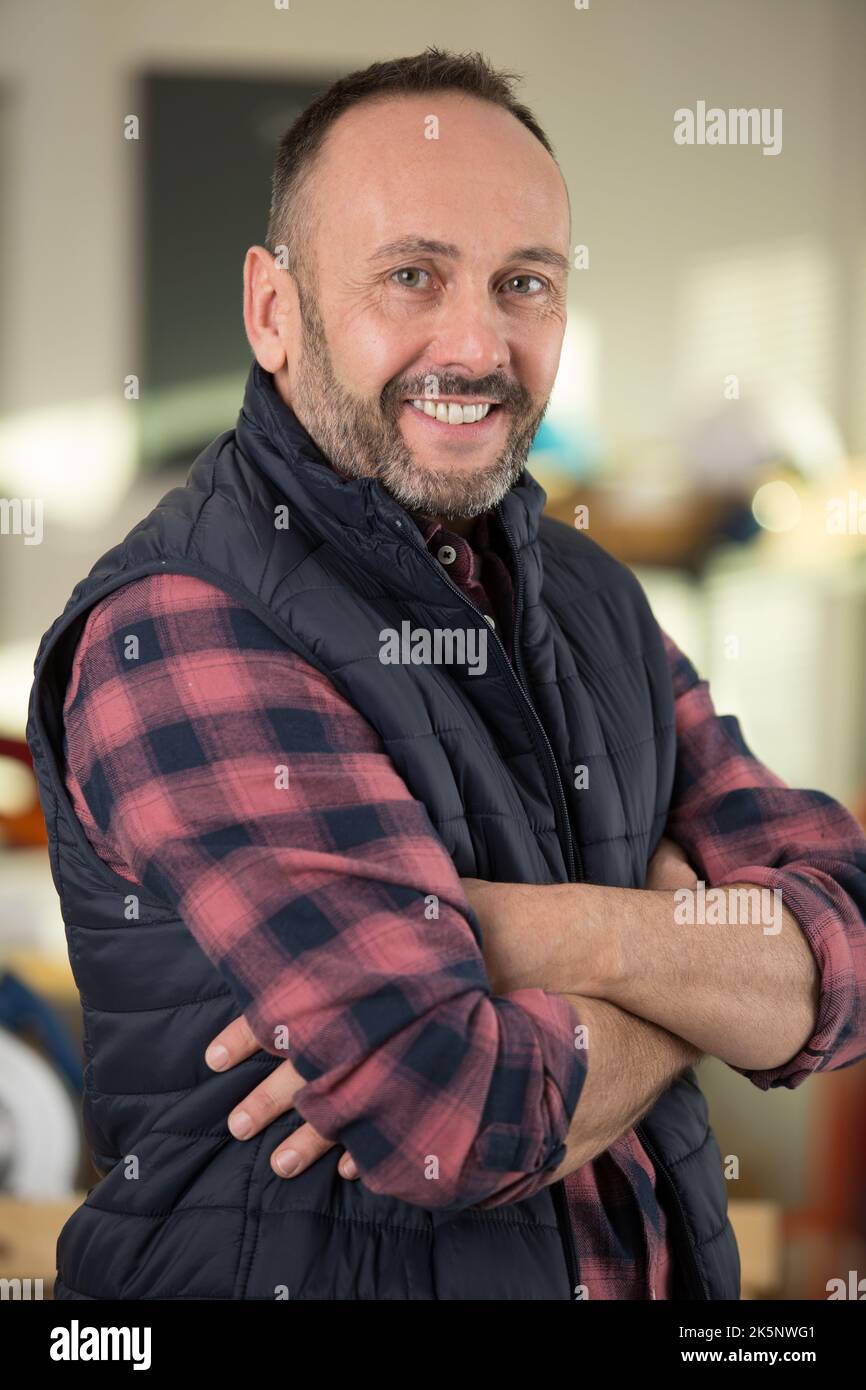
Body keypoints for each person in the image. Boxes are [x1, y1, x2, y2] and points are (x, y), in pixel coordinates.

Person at [28, 49, 866, 1301]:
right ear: (273, 310)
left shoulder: (591, 598)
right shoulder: (181, 624)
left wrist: (537, 930)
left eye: (521, 282)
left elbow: (844, 944)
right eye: (410, 276)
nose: (474, 345)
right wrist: (694, 960)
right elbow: (453, 1111)